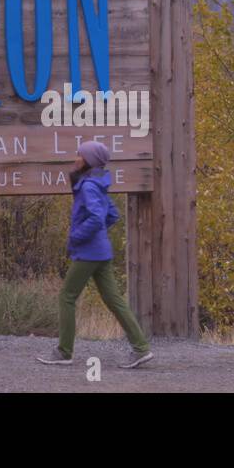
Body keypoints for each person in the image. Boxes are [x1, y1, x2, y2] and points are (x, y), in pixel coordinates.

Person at [36, 140, 154, 368]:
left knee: (67, 297)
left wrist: (76, 237)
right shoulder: (97, 184)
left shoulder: (88, 186)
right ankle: (141, 348)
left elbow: (97, 218)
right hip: (101, 251)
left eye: (79, 155)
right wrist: (97, 235)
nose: (75, 158)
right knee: (115, 301)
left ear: (88, 160)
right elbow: (112, 214)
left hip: (88, 252)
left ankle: (64, 352)